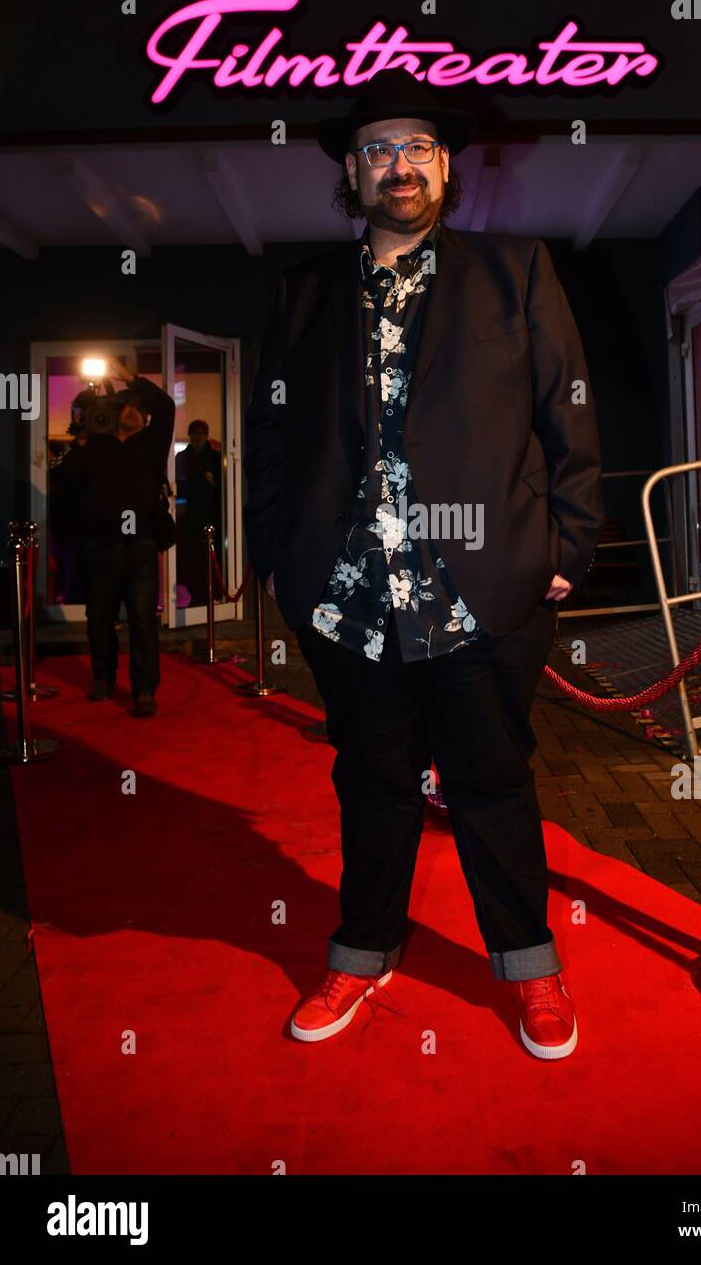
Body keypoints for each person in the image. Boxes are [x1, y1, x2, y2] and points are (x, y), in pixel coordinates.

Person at [244, 68, 603, 1060]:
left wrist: (568, 543)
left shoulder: (515, 270)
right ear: (351, 175)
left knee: (492, 778)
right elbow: (272, 440)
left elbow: (564, 411)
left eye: (414, 147)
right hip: (347, 593)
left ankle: (529, 966)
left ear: (444, 165)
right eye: (375, 150)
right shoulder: (300, 293)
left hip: (481, 584)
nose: (396, 165)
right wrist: (278, 559)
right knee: (370, 780)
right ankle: (360, 950)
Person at [55, 360, 175, 716]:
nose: (137, 414)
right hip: (101, 545)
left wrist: (130, 378)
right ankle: (103, 679)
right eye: (130, 407)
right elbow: (66, 482)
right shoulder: (95, 445)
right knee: (100, 618)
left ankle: (144, 690)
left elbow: (165, 406)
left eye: (141, 410)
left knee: (142, 618)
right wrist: (81, 438)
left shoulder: (151, 445)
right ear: (115, 411)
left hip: (141, 544)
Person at [175, 419, 221, 605]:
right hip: (188, 517)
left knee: (207, 557)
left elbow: (223, 492)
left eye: (200, 434)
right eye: (194, 434)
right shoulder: (183, 458)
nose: (196, 437)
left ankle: (210, 593)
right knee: (191, 558)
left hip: (208, 515)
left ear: (205, 435)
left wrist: (213, 482)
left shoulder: (215, 459)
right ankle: (194, 594)